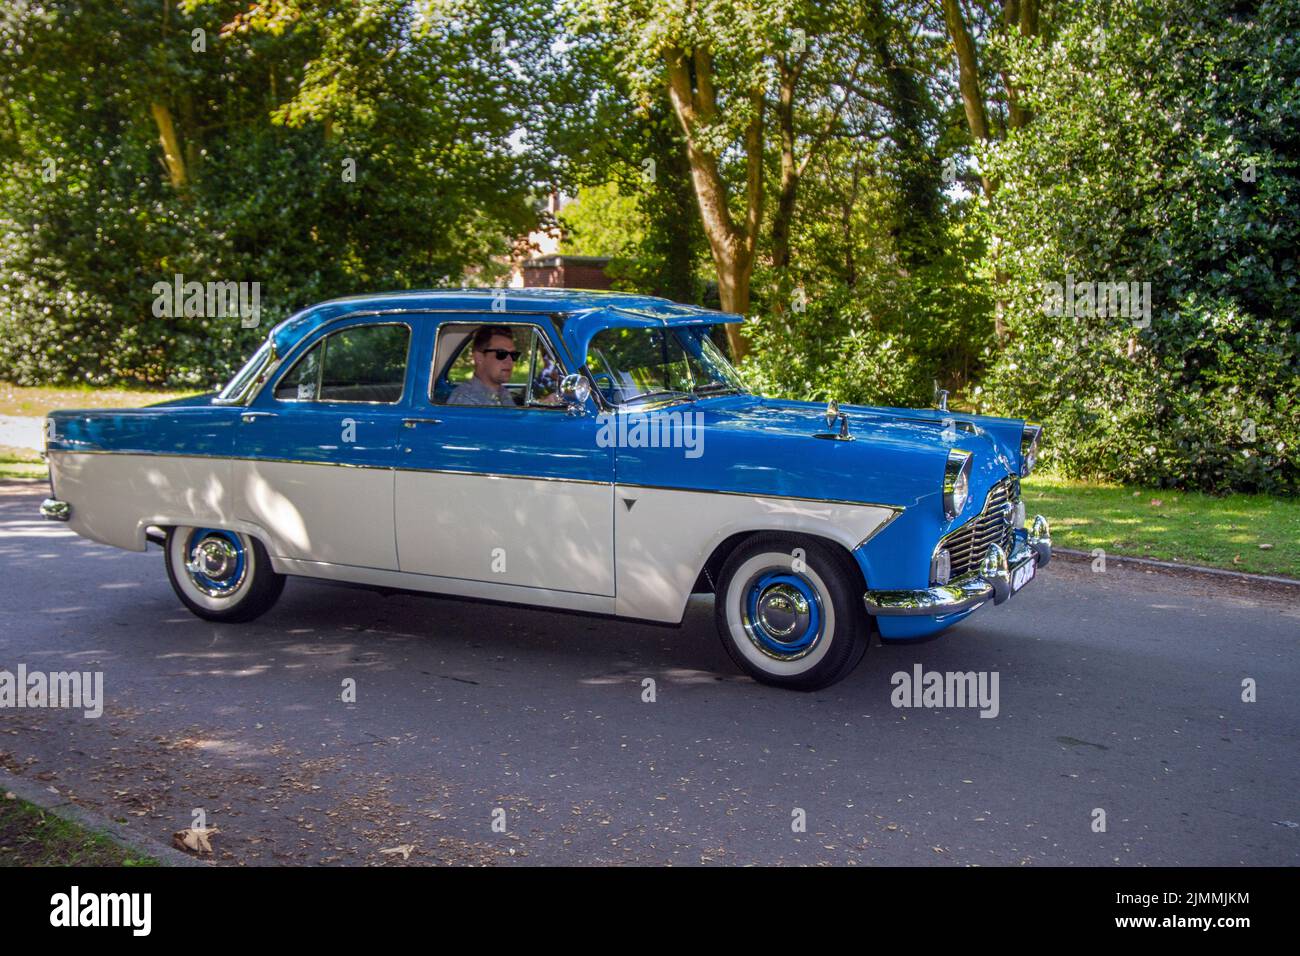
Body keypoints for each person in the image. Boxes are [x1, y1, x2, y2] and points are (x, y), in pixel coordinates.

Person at [448, 325, 519, 406]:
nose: (510, 361)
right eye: (501, 354)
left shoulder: (503, 393)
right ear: (479, 357)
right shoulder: (465, 401)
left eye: (513, 354)